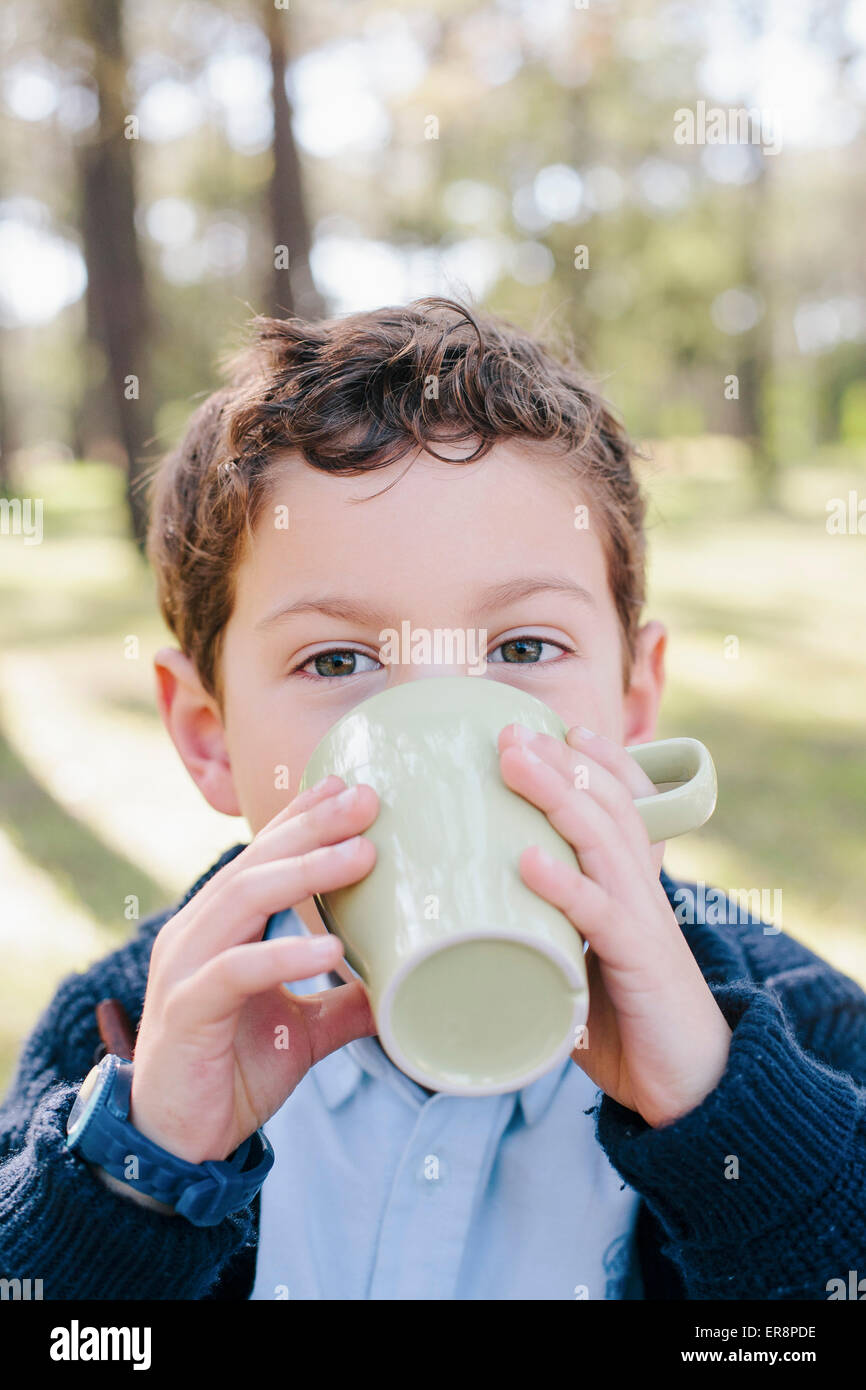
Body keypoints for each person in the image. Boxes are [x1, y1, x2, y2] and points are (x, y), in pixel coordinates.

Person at [2, 297, 864, 1299]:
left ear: (630, 703)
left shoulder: (798, 1028)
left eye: (522, 649)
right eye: (335, 658)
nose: (445, 723)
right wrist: (137, 1178)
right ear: (210, 736)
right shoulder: (116, 1039)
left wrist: (726, 1116)